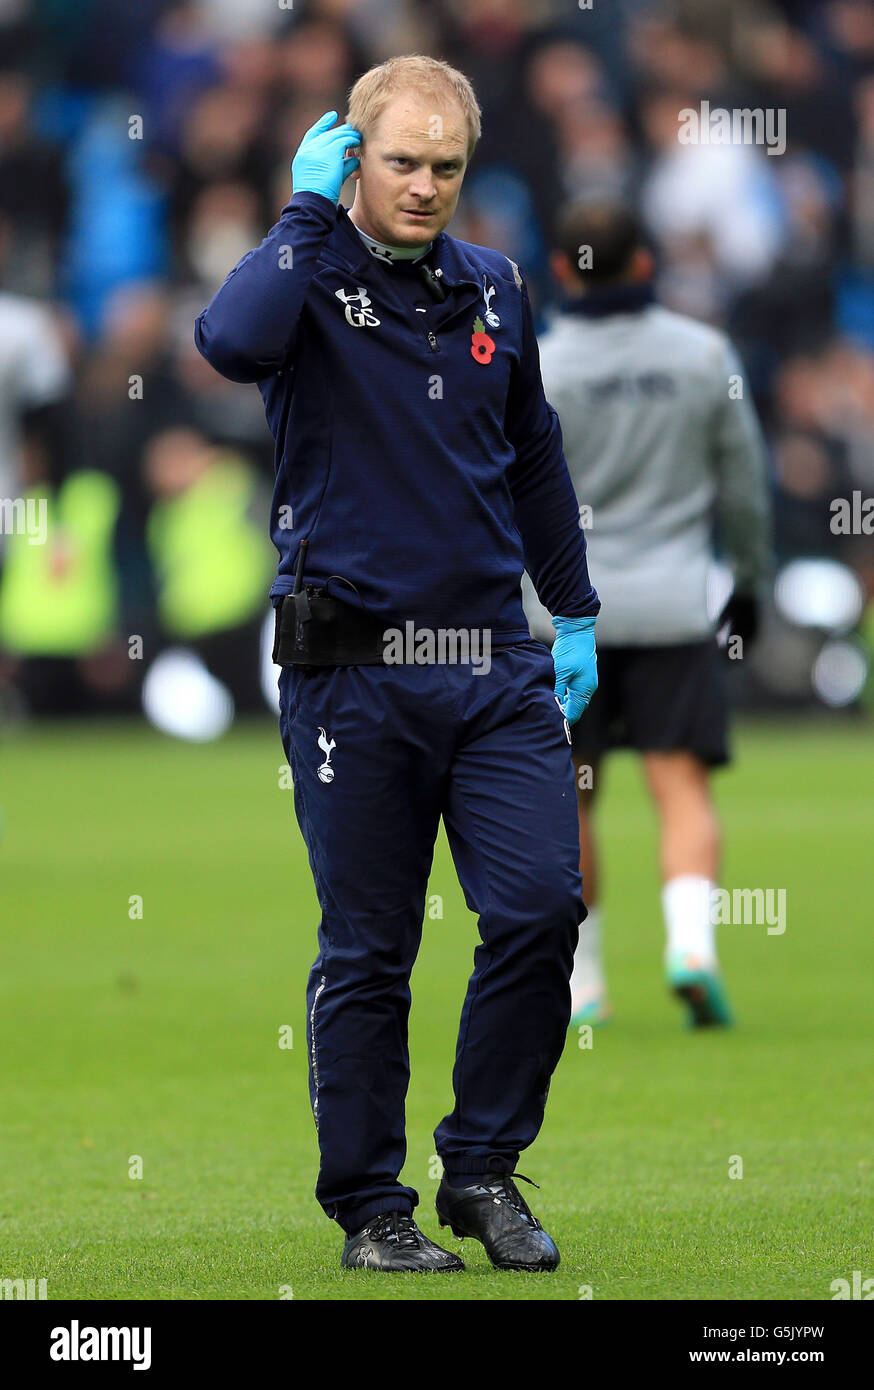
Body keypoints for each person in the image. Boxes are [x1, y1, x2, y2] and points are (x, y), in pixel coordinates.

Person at [195, 56, 599, 1273]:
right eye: (401, 161)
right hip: (351, 668)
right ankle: (371, 1207)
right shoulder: (306, 274)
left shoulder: (496, 287)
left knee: (539, 907)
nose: (424, 187)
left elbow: (533, 455)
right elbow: (225, 343)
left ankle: (480, 1169)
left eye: (445, 168)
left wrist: (571, 611)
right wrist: (301, 214)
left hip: (492, 663)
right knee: (369, 949)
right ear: (351, 154)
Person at [536, 201, 772, 1030]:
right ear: (645, 265)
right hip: (674, 602)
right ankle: (692, 948)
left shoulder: (540, 365)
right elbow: (744, 486)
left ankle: (582, 981)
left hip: (566, 618)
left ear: (563, 272)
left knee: (571, 798)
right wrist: (748, 581)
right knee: (680, 787)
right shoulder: (704, 354)